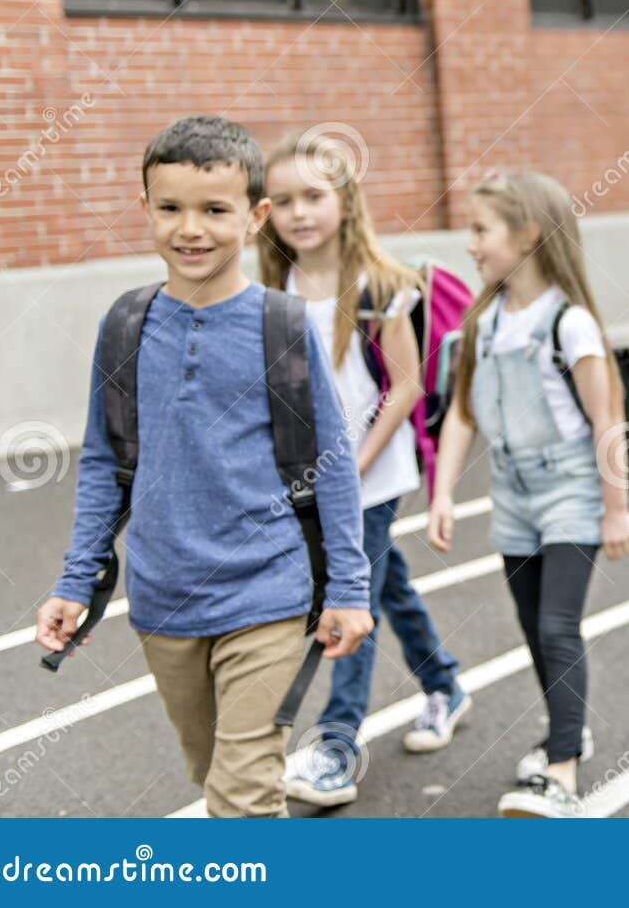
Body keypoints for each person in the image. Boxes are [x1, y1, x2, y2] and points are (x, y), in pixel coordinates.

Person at [36, 116, 372, 818]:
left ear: (254, 218)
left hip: (269, 591)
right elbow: (104, 458)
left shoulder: (282, 323)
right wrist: (77, 578)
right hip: (164, 599)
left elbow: (333, 464)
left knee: (242, 792)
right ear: (146, 210)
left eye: (215, 210)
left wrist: (348, 586)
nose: (192, 229)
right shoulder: (125, 323)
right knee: (211, 769)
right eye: (171, 208)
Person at [260, 130, 468, 808]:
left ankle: (338, 741)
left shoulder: (380, 285)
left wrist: (351, 465)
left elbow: (404, 385)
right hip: (309, 479)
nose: (299, 212)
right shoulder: (270, 288)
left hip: (370, 478)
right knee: (385, 587)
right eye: (283, 199)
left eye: (314, 196)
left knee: (346, 599)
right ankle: (446, 683)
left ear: (345, 202)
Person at [427, 170, 629, 818]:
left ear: (527, 237)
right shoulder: (484, 319)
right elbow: (462, 413)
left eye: (481, 229)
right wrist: (441, 493)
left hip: (570, 487)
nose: (471, 244)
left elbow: (606, 422)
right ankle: (565, 728)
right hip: (513, 493)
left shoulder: (567, 324)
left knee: (556, 624)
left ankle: (562, 770)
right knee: (530, 624)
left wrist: (615, 506)